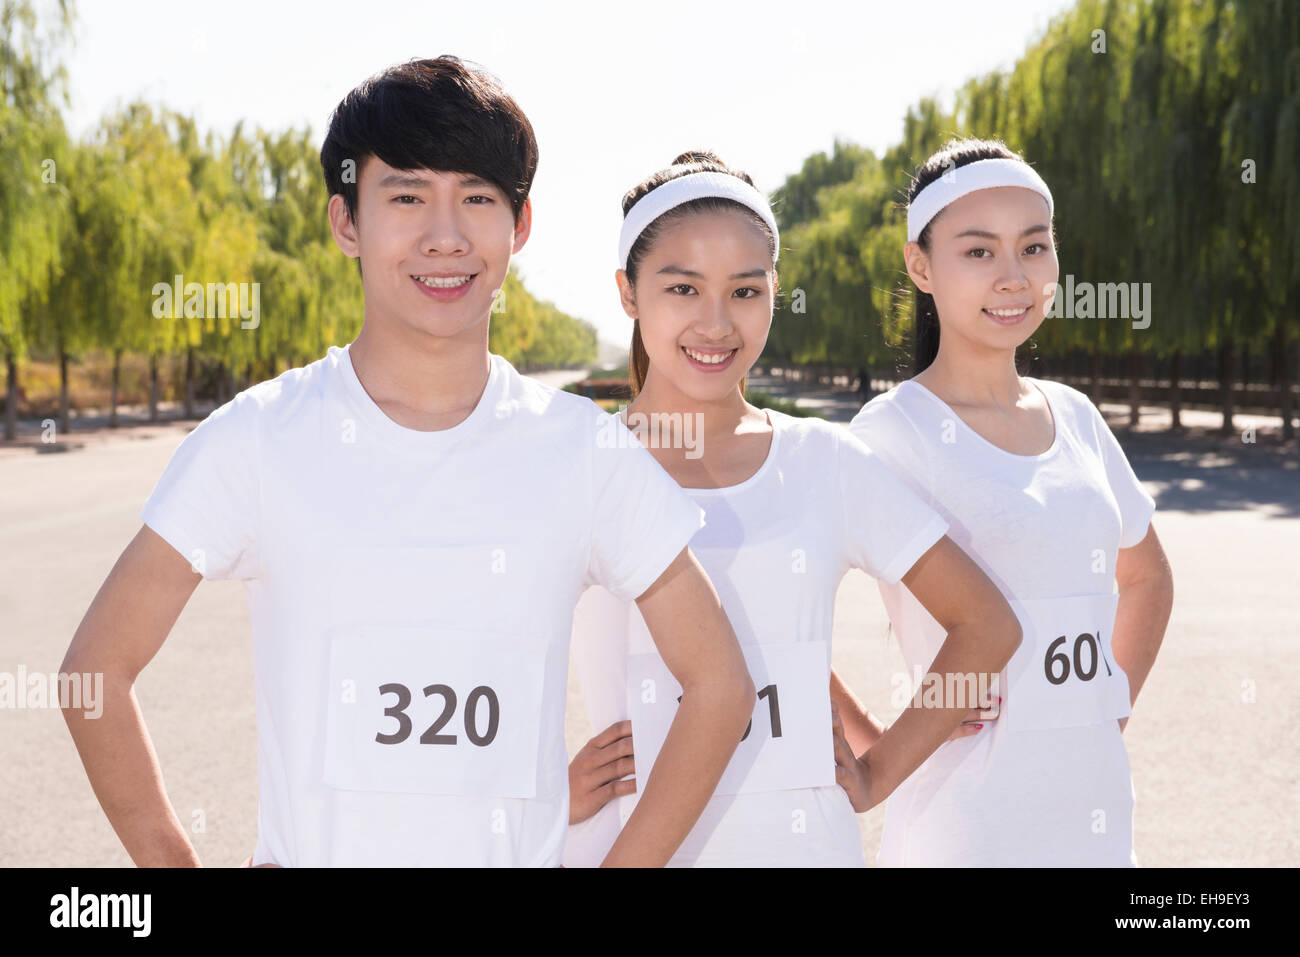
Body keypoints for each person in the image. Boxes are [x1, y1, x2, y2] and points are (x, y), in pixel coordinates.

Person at [58, 57, 756, 868]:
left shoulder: (585, 451)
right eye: (406, 195)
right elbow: (93, 673)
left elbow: (721, 685)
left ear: (519, 225)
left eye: (478, 199)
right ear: (346, 222)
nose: (445, 235)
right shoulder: (259, 437)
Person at [563, 151, 1023, 867]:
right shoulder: (576, 466)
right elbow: (467, 661)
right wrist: (541, 792)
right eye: (682, 287)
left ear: (776, 290)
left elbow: (987, 625)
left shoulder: (825, 461)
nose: (716, 323)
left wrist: (878, 768)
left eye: (745, 291)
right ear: (628, 291)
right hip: (621, 845)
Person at [845, 137, 1174, 866]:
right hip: (963, 828)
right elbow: (776, 593)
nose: (1013, 276)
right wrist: (874, 751)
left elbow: (1147, 575)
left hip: (1094, 820)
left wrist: (1107, 705)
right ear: (920, 265)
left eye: (1034, 247)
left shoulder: (1077, 415)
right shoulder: (889, 434)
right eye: (978, 251)